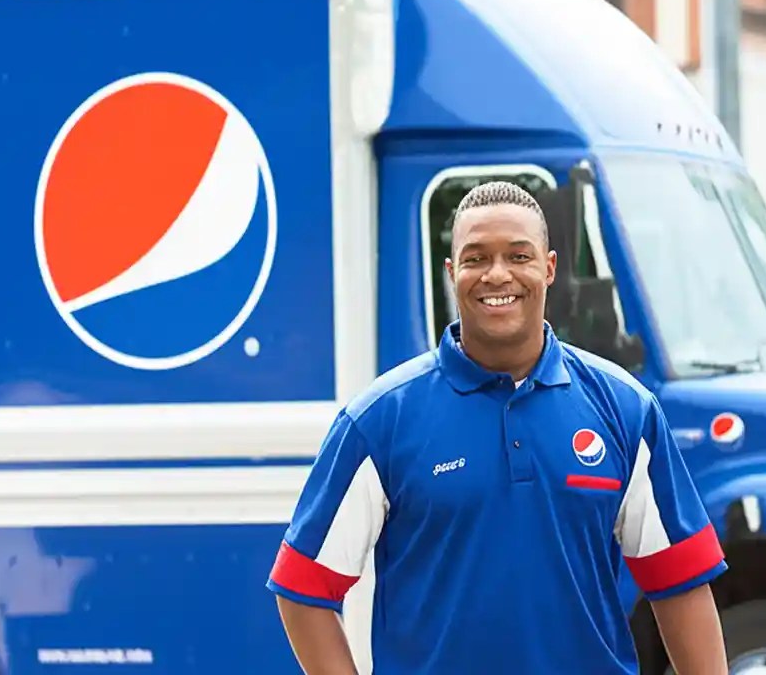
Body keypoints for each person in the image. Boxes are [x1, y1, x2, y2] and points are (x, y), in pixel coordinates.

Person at [265, 181, 729, 674]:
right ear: (452, 273)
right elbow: (304, 588)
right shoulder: (380, 420)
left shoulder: (625, 410)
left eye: (518, 255)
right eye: (476, 258)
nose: (497, 274)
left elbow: (679, 580)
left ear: (549, 268)